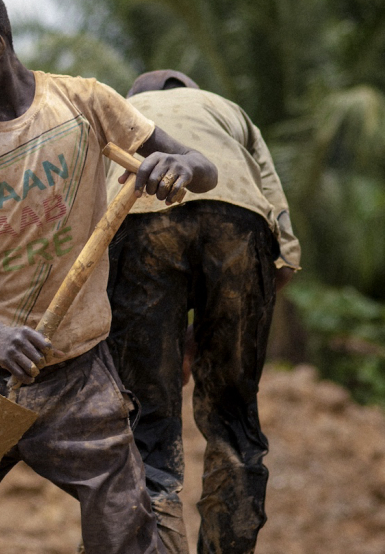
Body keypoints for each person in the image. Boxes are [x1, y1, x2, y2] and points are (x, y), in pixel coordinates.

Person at [0, 0, 219, 554]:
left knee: (126, 542)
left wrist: (177, 168)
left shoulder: (83, 103)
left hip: (79, 380)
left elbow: (201, 166)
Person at [105, 70, 300, 554]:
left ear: (141, 98)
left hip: (138, 218)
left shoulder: (118, 115)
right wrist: (206, 342)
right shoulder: (229, 111)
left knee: (146, 430)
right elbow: (286, 256)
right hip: (239, 218)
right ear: (192, 94)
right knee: (233, 423)